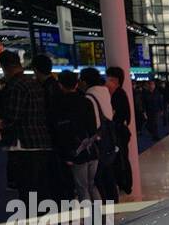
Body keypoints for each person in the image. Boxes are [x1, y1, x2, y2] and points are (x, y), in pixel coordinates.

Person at [0, 49, 53, 212]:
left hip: (24, 144)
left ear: (4, 67)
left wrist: (1, 125)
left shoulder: (15, 85)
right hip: (41, 141)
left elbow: (13, 116)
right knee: (41, 188)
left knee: (27, 189)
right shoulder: (34, 83)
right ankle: (45, 224)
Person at [48, 70, 99, 202]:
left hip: (76, 152)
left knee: (82, 188)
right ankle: (102, 218)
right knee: (92, 185)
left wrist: (66, 154)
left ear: (60, 85)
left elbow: (61, 132)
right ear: (77, 84)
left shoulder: (58, 104)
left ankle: (90, 220)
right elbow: (93, 126)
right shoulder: (86, 101)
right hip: (92, 148)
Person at [80, 67, 117, 201]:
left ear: (85, 81)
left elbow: (95, 122)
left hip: (99, 140)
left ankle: (104, 206)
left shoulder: (89, 96)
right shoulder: (104, 92)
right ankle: (114, 201)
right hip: (109, 138)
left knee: (97, 178)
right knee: (108, 174)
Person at [105, 67, 133, 196]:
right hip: (119, 131)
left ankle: (125, 184)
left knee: (121, 158)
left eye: (110, 78)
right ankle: (123, 183)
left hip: (119, 132)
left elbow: (122, 115)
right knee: (120, 157)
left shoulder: (118, 94)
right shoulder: (117, 93)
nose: (107, 81)